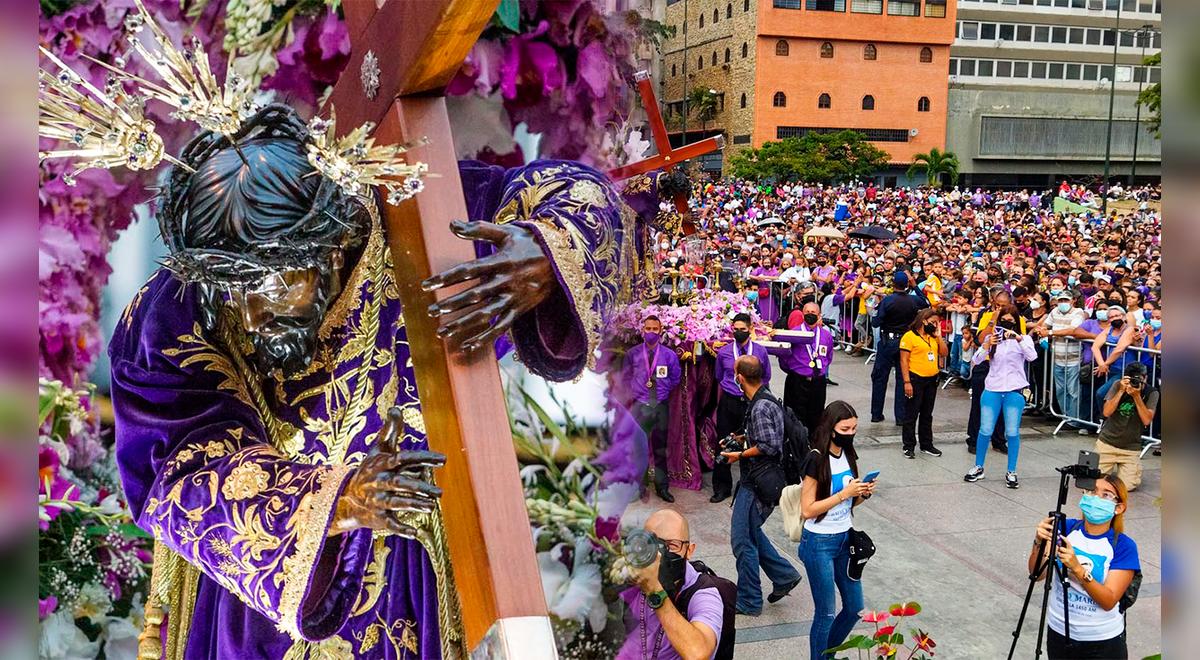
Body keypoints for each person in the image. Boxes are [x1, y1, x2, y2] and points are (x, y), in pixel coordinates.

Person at [720, 356, 803, 616]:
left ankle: (750, 600)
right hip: (761, 479)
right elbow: (766, 435)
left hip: (758, 483)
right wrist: (740, 438)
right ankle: (784, 575)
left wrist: (739, 455)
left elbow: (769, 445)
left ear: (740, 378)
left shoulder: (760, 407)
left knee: (742, 540)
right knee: (751, 532)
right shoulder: (763, 398)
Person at [1030, 474, 1140, 659]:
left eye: (1106, 495)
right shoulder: (1066, 528)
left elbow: (1108, 600)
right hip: (1059, 631)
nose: (1096, 498)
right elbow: (1036, 573)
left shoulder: (1123, 546)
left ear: (1119, 507)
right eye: (1092, 491)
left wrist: (1078, 569)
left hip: (1101, 641)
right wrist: (1039, 542)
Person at [799, 401, 875, 660]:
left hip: (846, 538)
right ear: (831, 429)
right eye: (845, 429)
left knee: (854, 607)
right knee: (826, 613)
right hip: (819, 541)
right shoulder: (816, 459)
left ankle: (827, 653)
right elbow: (807, 509)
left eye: (854, 428)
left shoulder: (848, 454)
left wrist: (862, 493)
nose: (850, 433)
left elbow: (850, 503)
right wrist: (844, 493)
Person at [619, 509, 724, 660]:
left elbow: (698, 653)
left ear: (689, 550)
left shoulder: (703, 593)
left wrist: (654, 589)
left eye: (672, 545)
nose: (659, 554)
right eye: (652, 543)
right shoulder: (632, 575)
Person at [964, 305, 1038, 488]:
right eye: (1003, 320)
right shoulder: (992, 338)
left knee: (1012, 432)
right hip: (992, 389)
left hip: (1014, 390)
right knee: (985, 429)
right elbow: (976, 360)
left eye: (1010, 321)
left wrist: (1019, 338)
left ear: (1016, 322)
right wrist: (986, 346)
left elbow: (1032, 356)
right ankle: (978, 467)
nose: (1006, 324)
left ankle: (1011, 471)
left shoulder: (1024, 339)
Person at [711, 314, 773, 503]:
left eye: (742, 329)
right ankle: (722, 488)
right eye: (735, 329)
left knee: (753, 443)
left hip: (751, 402)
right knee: (723, 442)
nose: (738, 332)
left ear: (750, 329)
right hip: (729, 401)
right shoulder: (724, 352)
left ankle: (753, 485)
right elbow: (719, 376)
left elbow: (766, 376)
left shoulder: (760, 351)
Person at [626, 315, 683, 502]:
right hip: (639, 405)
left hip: (660, 406)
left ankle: (662, 487)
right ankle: (639, 487)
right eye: (648, 329)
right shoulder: (632, 354)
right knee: (638, 448)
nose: (651, 332)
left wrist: (661, 392)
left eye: (655, 329)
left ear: (661, 331)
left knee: (660, 448)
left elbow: (675, 378)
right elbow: (626, 377)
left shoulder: (669, 355)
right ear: (643, 331)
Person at [869, 271, 929, 424]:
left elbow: (876, 322)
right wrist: (915, 286)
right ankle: (900, 417)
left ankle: (876, 413)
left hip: (887, 342)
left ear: (893, 284)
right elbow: (926, 302)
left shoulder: (887, 301)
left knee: (880, 377)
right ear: (907, 284)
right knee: (903, 378)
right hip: (905, 342)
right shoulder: (913, 300)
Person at [769, 302, 836, 435]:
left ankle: (813, 442)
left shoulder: (825, 335)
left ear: (819, 315)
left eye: (813, 313)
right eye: (807, 313)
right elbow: (784, 357)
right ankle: (795, 444)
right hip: (797, 381)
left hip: (818, 382)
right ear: (803, 315)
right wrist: (795, 371)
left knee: (816, 415)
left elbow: (828, 357)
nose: (810, 315)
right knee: (794, 416)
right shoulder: (794, 333)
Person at [1096, 362, 1157, 491]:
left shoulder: (1152, 392)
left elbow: (1146, 420)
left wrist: (1137, 396)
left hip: (1130, 448)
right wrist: (1120, 391)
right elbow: (1106, 412)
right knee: (1095, 481)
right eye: (1132, 379)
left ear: (1145, 378)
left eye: (1138, 380)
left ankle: (1120, 473)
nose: (1135, 383)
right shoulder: (1118, 384)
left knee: (1127, 486)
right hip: (1107, 442)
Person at [1040, 290, 1093, 431]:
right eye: (1060, 300)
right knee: (1060, 390)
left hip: (1073, 359)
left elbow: (1073, 330)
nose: (1063, 303)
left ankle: (1074, 420)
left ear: (1073, 300)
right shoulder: (1054, 312)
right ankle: (1065, 416)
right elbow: (1045, 325)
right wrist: (1043, 331)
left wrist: (1050, 333)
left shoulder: (1078, 313)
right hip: (1057, 357)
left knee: (1073, 391)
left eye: (1066, 300)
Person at [898, 309, 947, 458]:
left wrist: (939, 336)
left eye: (937, 323)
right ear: (923, 321)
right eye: (933, 322)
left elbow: (944, 353)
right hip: (915, 378)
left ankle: (926, 444)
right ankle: (908, 445)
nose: (935, 325)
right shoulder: (910, 336)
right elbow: (904, 360)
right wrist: (907, 381)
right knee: (911, 413)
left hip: (931, 379)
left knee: (927, 414)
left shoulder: (932, 337)